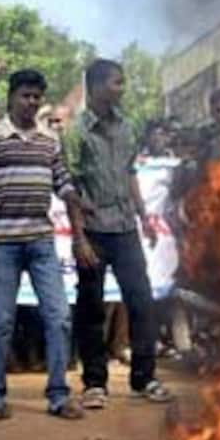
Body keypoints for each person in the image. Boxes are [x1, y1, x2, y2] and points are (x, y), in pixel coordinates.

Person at [0, 69, 88, 421]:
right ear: (11, 97)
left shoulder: (50, 138)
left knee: (60, 317)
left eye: (36, 96)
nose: (31, 102)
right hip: (4, 241)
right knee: (2, 320)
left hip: (41, 240)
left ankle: (59, 394)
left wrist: (75, 199)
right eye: (25, 96)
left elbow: (61, 181)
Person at [65, 58, 174, 409]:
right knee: (91, 307)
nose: (122, 88)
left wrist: (144, 217)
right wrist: (79, 237)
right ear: (96, 86)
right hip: (93, 232)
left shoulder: (127, 127)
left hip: (126, 228)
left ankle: (145, 378)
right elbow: (69, 186)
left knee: (141, 302)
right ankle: (94, 383)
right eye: (117, 82)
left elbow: (130, 174)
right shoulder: (76, 131)